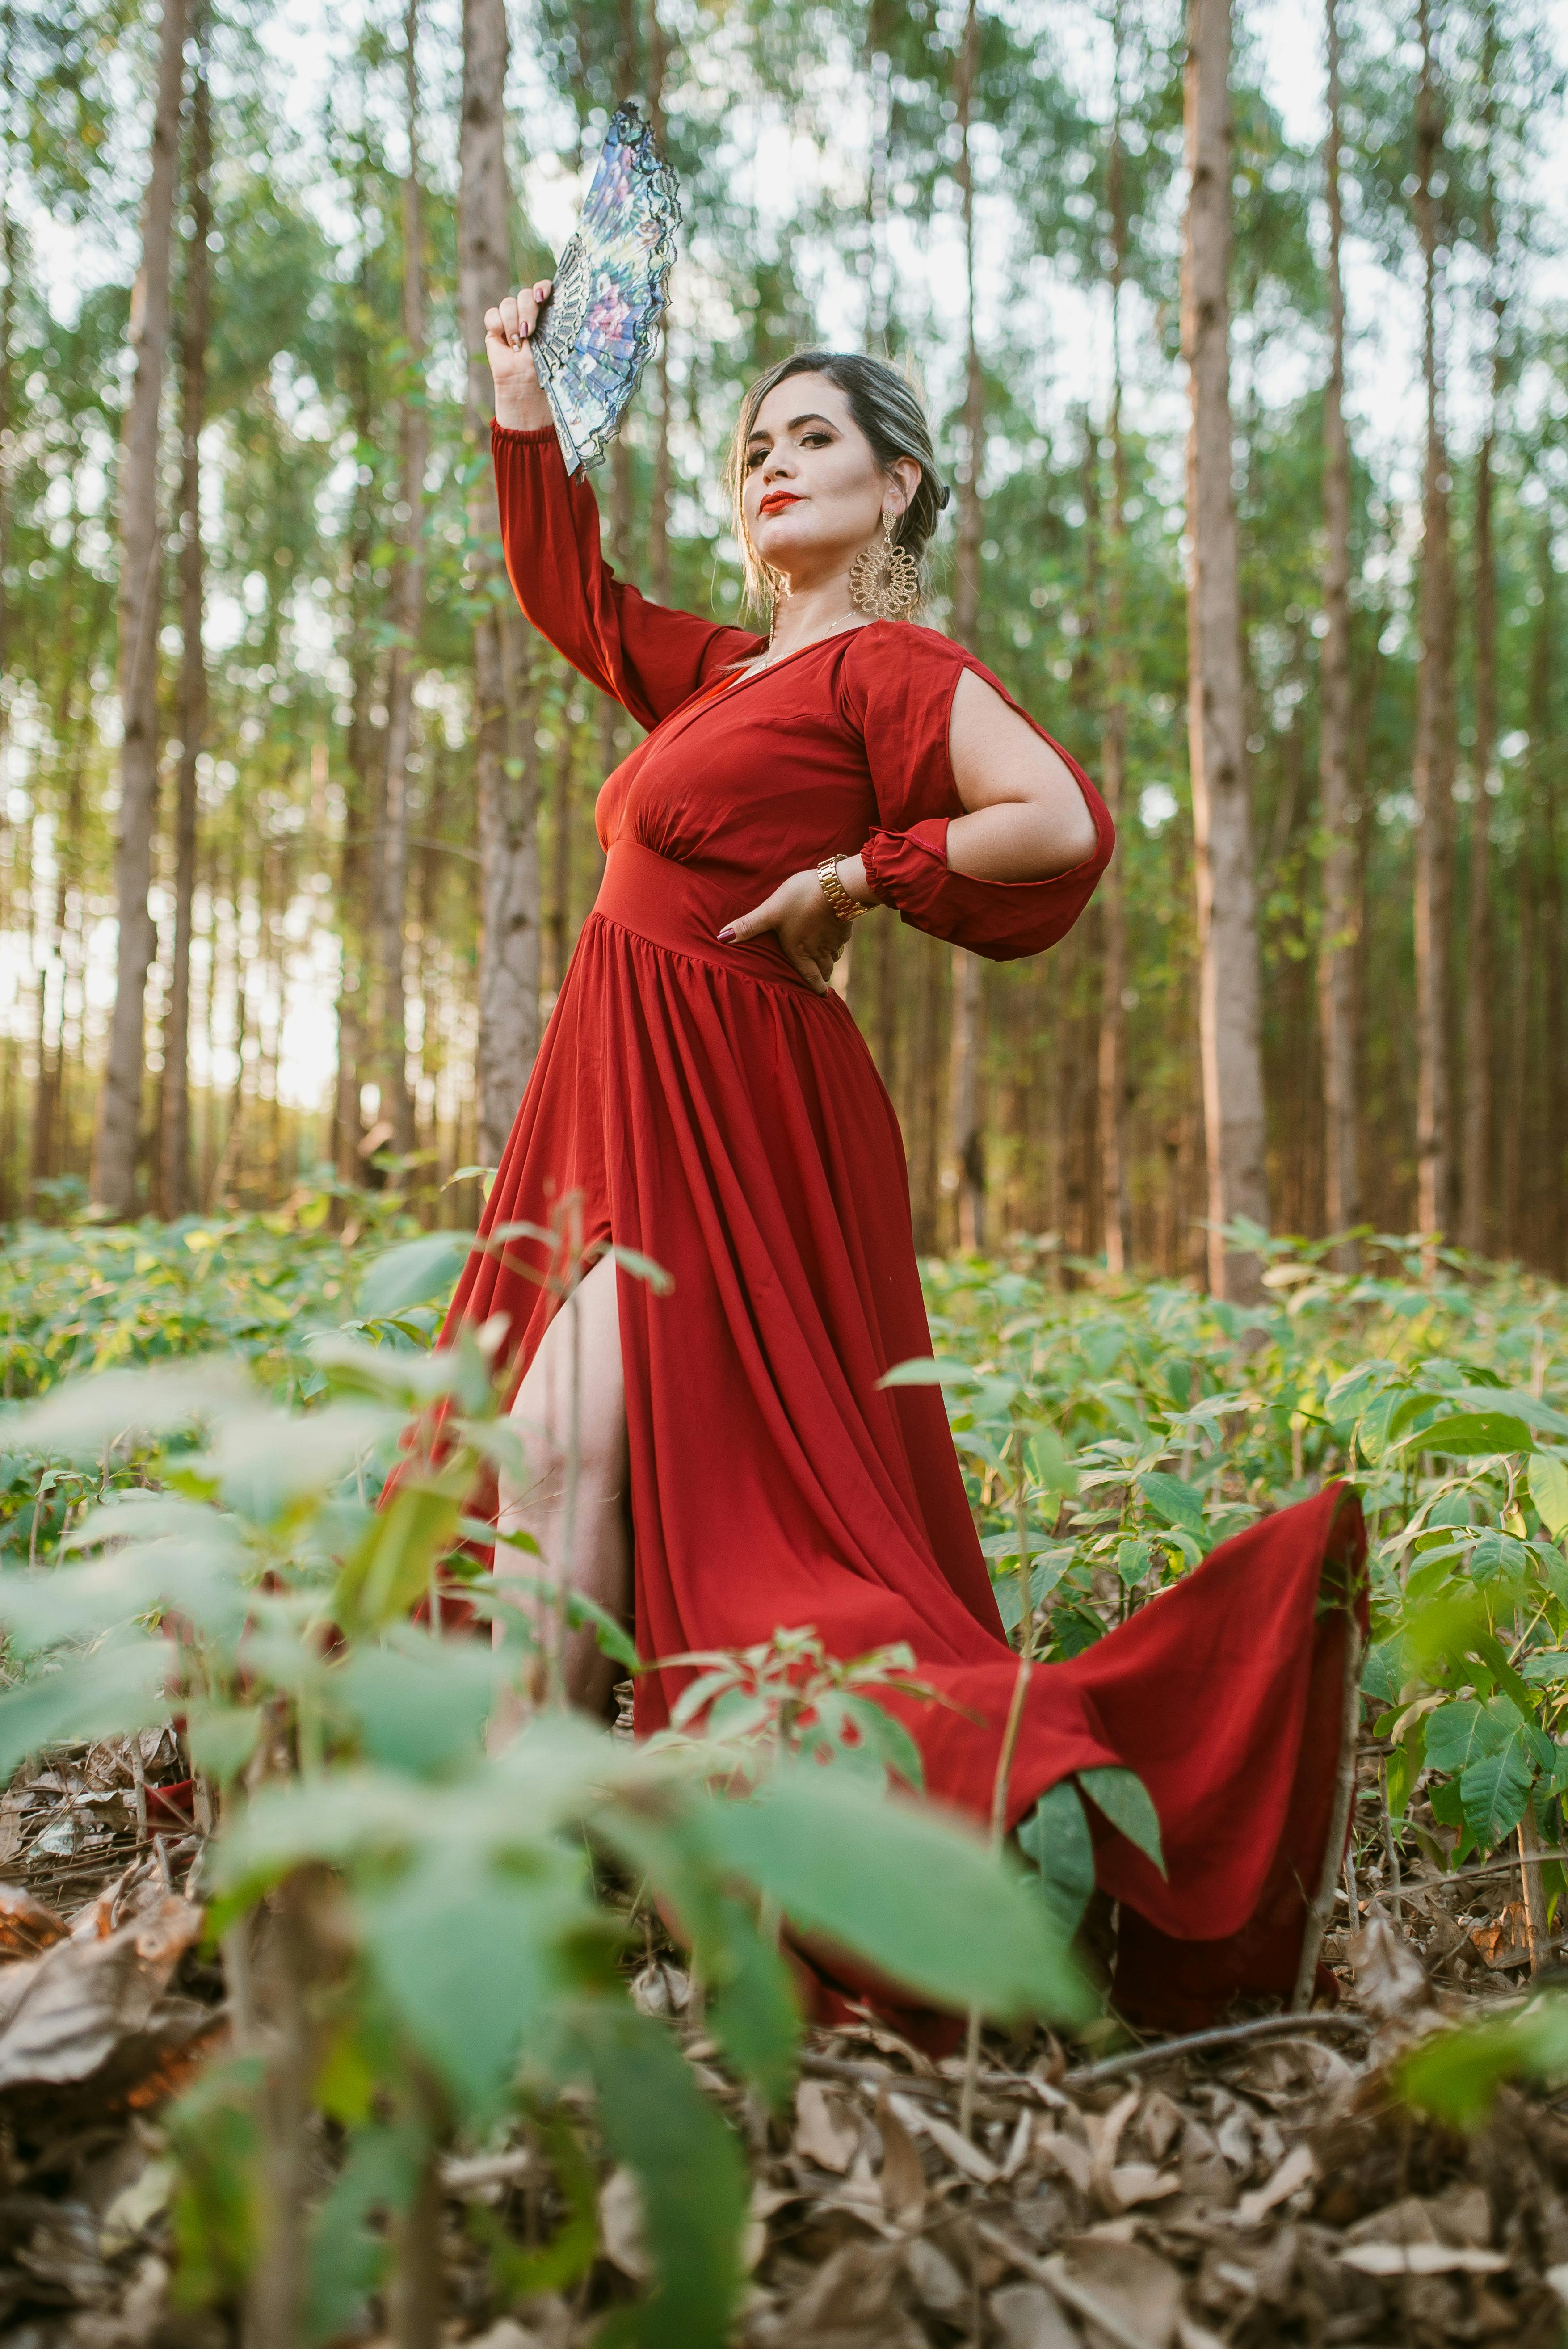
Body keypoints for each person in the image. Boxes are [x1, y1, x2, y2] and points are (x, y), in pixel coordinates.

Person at [430, 280, 1366, 2032]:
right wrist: (511, 387)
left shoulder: (893, 667)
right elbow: (567, 593)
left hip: (743, 1108)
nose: (766, 466)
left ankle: (526, 1883)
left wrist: (860, 877)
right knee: (548, 1454)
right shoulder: (721, 668)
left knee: (593, 1458)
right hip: (623, 1088)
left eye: (808, 438)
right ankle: (523, 1869)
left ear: (900, 483)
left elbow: (1058, 820)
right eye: (748, 449)